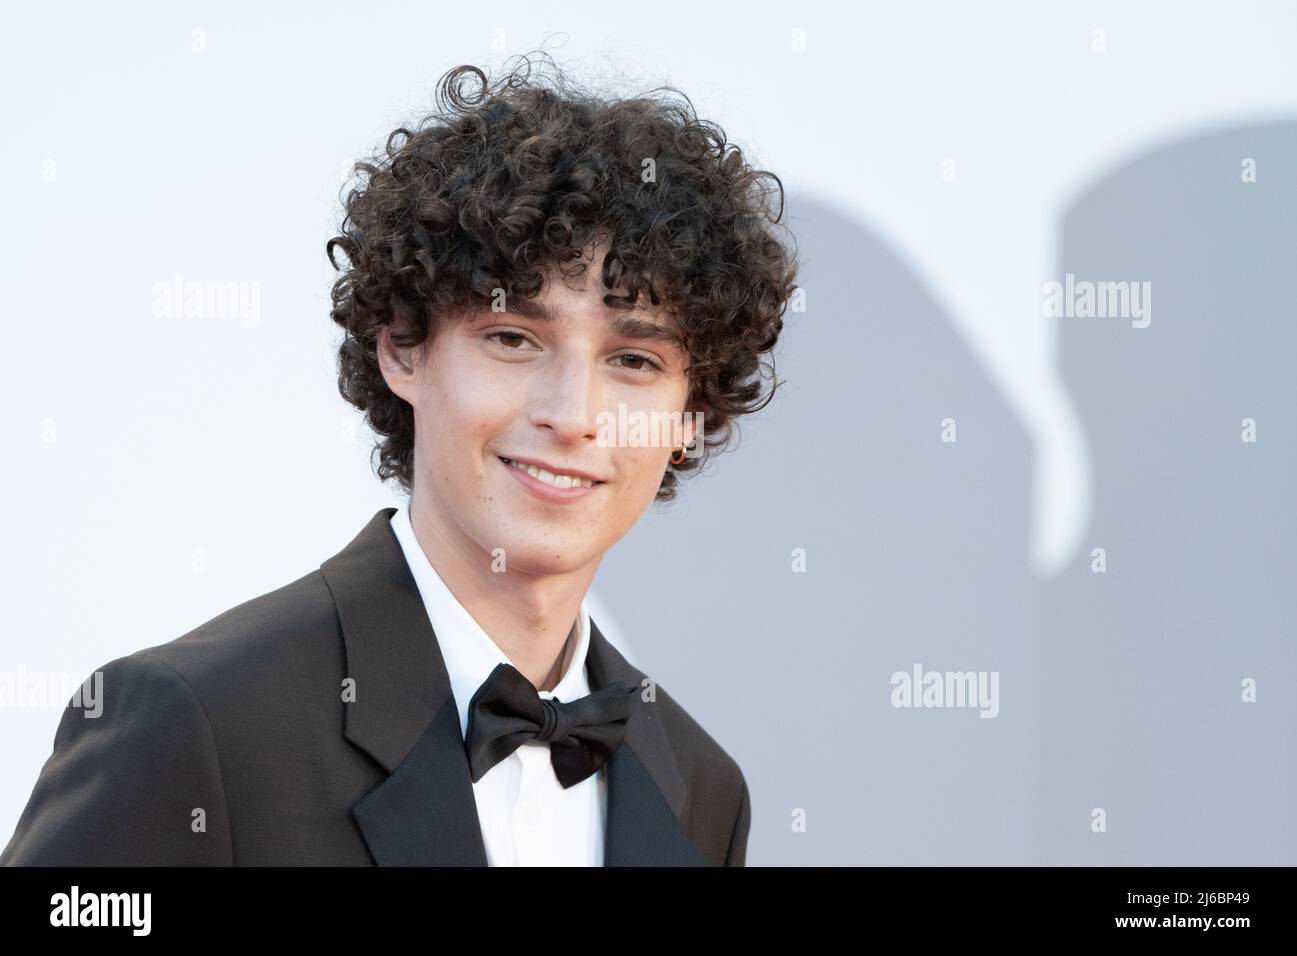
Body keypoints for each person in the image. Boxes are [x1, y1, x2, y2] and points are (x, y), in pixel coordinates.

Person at [0, 52, 800, 866]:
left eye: (634, 361)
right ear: (404, 349)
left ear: (687, 413)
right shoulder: (194, 727)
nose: (573, 416)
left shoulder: (701, 791)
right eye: (514, 339)